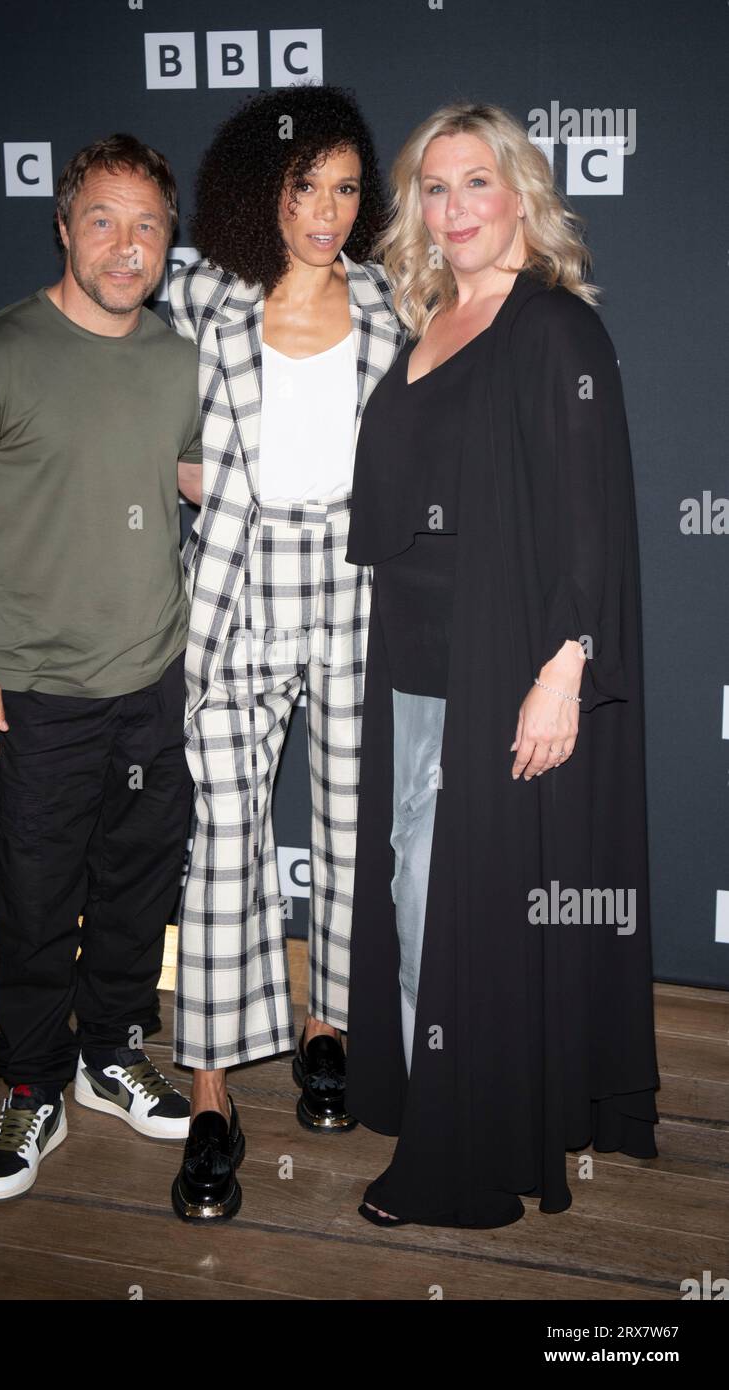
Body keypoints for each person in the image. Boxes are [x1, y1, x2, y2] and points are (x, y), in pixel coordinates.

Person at [344, 102, 660, 1229]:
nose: (451, 207)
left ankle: (464, 1157)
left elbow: (590, 521)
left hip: (500, 663)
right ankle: (440, 1095)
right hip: (414, 663)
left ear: (519, 194)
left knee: (453, 900)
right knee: (411, 888)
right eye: (432, 188)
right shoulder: (428, 322)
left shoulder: (554, 331)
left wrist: (562, 666)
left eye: (474, 182)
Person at [0, 134, 203, 1201]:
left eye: (149, 226)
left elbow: (185, 471)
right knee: (34, 906)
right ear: (64, 226)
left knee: (135, 888)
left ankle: (109, 1050)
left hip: (155, 683)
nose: (128, 246)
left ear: (169, 240)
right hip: (34, 692)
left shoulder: (178, 356)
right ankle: (32, 1086)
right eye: (104, 220)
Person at [167, 85, 404, 1221]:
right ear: (259, 190)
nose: (324, 209)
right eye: (303, 185)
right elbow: (126, 403)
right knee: (223, 837)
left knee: (355, 823)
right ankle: (210, 1090)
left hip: (356, 583)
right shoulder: (200, 291)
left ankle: (330, 1027)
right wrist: (174, 473)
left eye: (345, 187)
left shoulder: (390, 297)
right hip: (236, 580)